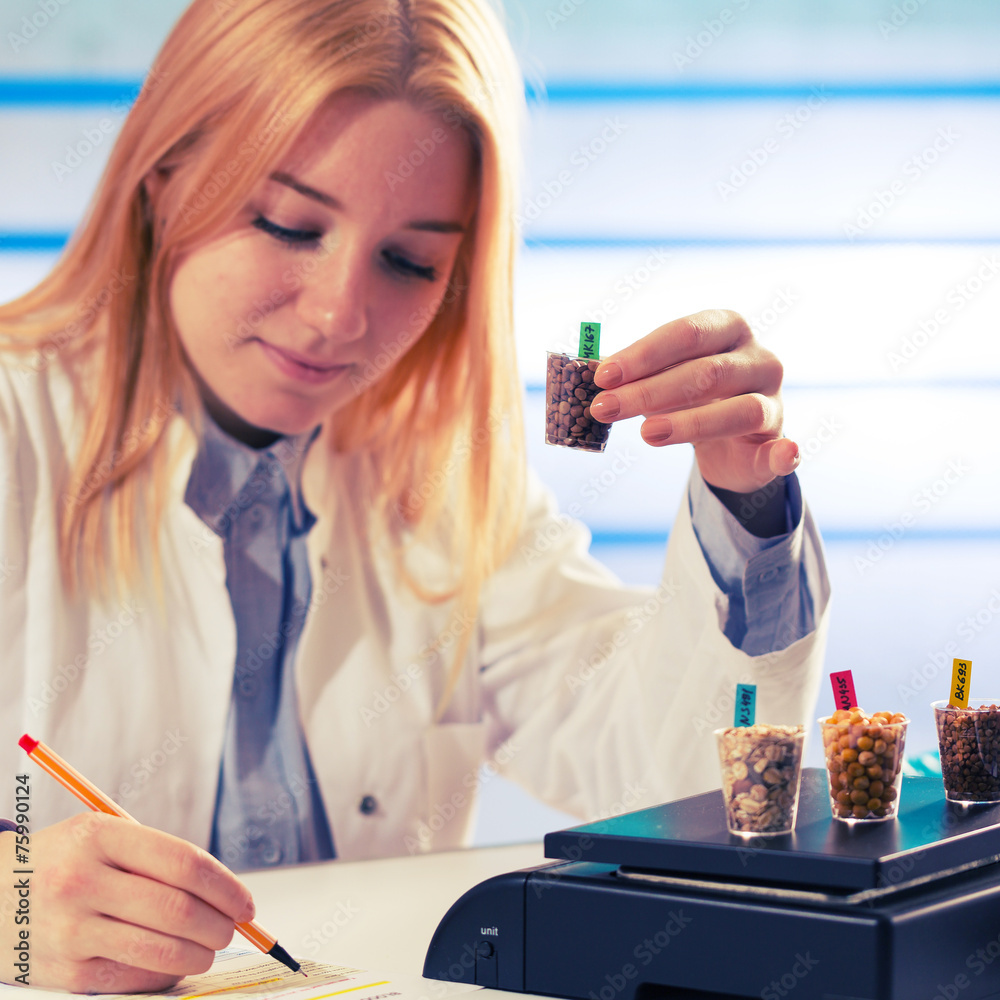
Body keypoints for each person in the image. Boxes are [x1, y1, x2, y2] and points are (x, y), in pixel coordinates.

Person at [0, 0, 829, 992]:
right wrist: (9, 906)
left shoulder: (441, 476)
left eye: (409, 260)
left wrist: (744, 510)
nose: (339, 313)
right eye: (289, 223)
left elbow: (672, 789)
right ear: (161, 175)